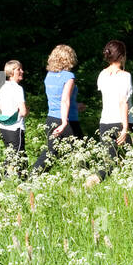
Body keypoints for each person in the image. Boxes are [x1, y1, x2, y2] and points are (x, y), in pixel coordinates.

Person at [32, 44, 85, 174]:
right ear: (68, 58)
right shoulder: (69, 76)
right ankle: (87, 184)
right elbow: (64, 99)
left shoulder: (49, 76)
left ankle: (30, 179)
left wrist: (75, 106)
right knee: (82, 152)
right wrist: (64, 122)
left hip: (51, 118)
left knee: (50, 154)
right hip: (68, 121)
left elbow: (57, 100)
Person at [91, 40, 133, 184]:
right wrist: (125, 128)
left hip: (104, 123)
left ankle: (95, 181)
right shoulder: (125, 76)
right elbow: (123, 102)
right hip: (120, 122)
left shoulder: (102, 74)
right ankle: (90, 182)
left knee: (110, 161)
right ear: (122, 56)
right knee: (131, 161)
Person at [0, 59, 28, 177]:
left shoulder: (3, 87)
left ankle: (25, 181)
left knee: (21, 157)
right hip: (15, 128)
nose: (22, 71)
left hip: (4, 128)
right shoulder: (18, 88)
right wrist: (26, 110)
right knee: (15, 157)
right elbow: (23, 112)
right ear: (11, 72)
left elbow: (0, 108)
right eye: (19, 69)